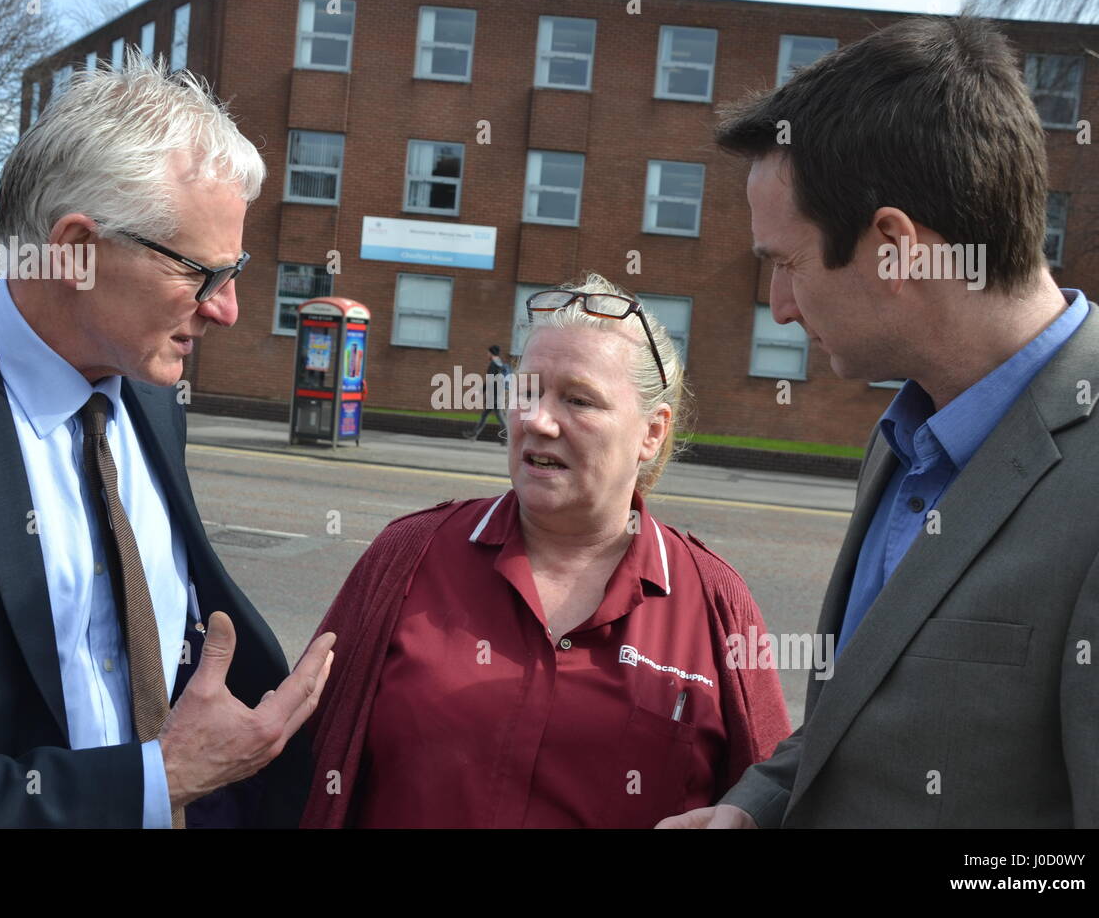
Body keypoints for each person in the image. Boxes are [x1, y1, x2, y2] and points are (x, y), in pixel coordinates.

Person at [659, 16, 1099, 829]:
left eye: (786, 264)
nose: (776, 308)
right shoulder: (904, 439)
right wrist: (757, 807)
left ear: (895, 249)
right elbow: (864, 709)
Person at [0, 53, 334, 827]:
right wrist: (150, 785)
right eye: (201, 274)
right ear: (75, 248)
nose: (228, 309)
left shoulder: (150, 395)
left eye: (233, 271)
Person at [302, 273, 790, 828]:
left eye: (579, 400)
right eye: (526, 392)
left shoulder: (715, 603)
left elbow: (769, 798)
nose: (537, 420)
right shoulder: (407, 556)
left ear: (651, 433)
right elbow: (302, 754)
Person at [462, 344, 510, 443]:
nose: (487, 354)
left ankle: (508, 437)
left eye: (488, 352)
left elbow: (489, 381)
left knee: (500, 417)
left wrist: (479, 392)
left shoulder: (493, 364)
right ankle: (474, 434)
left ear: (491, 353)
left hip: (494, 396)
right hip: (498, 394)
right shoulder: (500, 363)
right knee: (485, 415)